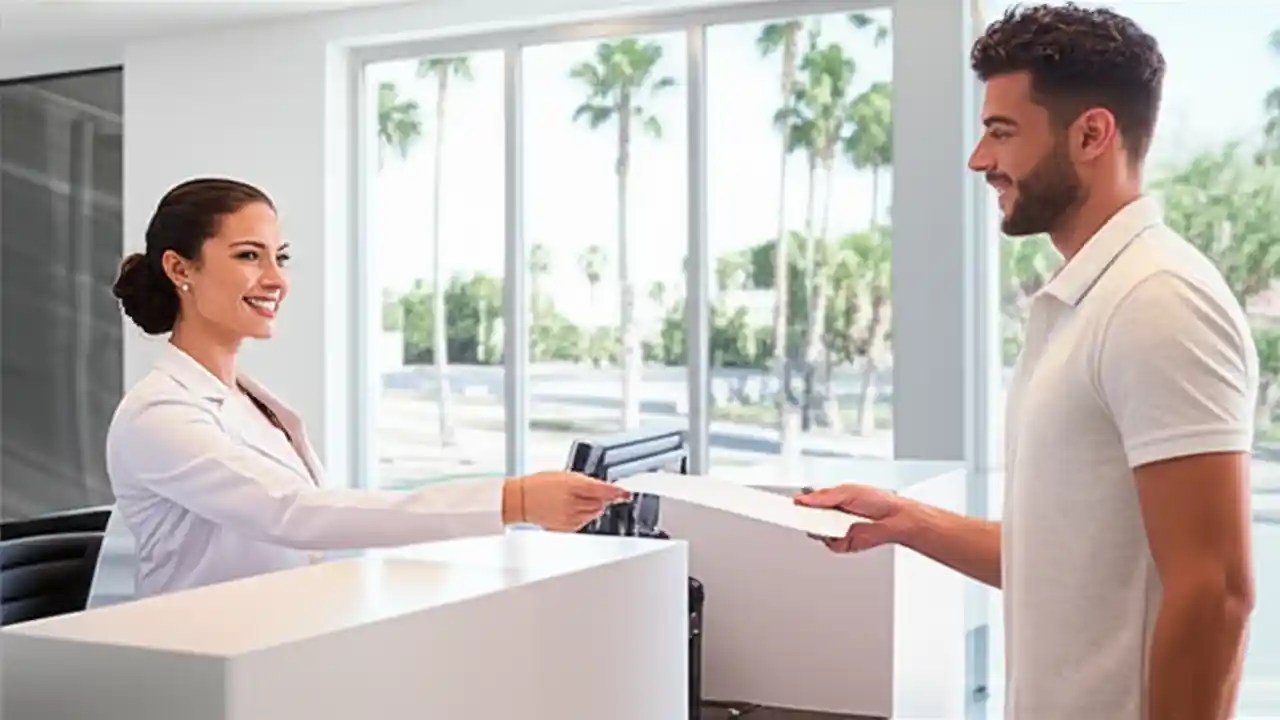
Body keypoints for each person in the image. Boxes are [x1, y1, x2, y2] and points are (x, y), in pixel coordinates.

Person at [797, 5, 1257, 720]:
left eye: (1001, 132)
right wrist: (905, 520)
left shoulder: (1157, 299)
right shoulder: (1088, 299)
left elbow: (1217, 591)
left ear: (1092, 134)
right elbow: (1065, 561)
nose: (980, 159)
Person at [101, 176, 629, 601]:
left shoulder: (250, 399)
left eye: (278, 257)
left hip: (277, 644)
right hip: (198, 669)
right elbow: (294, 514)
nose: (277, 279)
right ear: (179, 268)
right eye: (248, 256)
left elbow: (315, 518)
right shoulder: (160, 412)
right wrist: (512, 500)